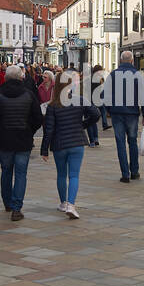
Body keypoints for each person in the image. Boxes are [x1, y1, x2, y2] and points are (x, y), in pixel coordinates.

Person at [40, 69, 99, 218]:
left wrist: (44, 149)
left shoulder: (53, 105)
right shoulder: (79, 99)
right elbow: (96, 114)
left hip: (59, 143)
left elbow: (49, 129)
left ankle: (63, 203)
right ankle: (71, 205)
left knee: (61, 174)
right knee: (74, 175)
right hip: (77, 142)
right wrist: (83, 125)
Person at [0, 65, 43, 221]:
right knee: (20, 174)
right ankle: (17, 208)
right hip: (23, 140)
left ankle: (7, 202)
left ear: (5, 78)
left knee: (6, 172)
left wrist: (0, 131)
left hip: (5, 139)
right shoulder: (29, 95)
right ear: (21, 77)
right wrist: (29, 130)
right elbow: (38, 118)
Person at [107, 50, 144, 183]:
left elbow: (104, 94)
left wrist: (109, 109)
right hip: (132, 113)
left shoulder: (113, 74)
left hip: (117, 114)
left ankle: (125, 174)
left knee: (120, 143)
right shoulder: (137, 75)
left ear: (121, 60)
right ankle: (135, 171)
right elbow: (143, 95)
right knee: (132, 142)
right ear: (132, 61)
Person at [91, 65, 111, 131]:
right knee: (97, 112)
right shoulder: (93, 78)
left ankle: (105, 125)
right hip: (94, 97)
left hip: (99, 97)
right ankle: (95, 124)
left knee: (103, 110)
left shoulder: (100, 78)